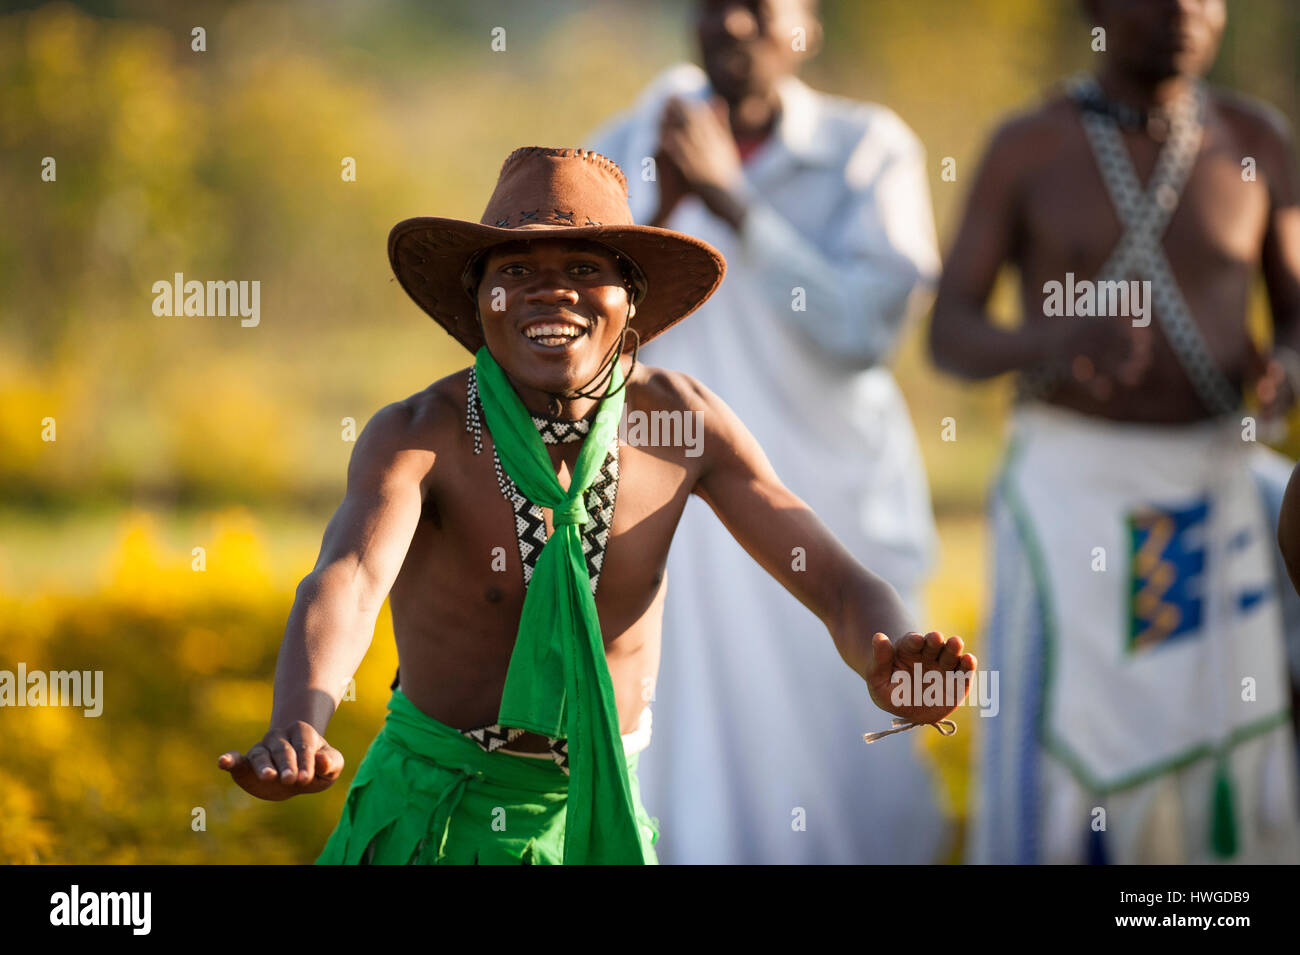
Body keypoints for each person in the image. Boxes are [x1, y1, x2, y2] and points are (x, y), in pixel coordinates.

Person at [215, 145, 974, 865]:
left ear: (630, 301)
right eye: (517, 270)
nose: (553, 290)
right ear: (481, 300)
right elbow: (346, 582)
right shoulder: (422, 433)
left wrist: (894, 654)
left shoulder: (683, 425)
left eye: (585, 267)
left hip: (599, 814)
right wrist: (298, 721)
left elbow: (837, 582)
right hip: (433, 815)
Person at [931, 0, 1300, 863]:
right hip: (1071, 490)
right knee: (1067, 741)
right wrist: (1056, 337)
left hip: (1213, 485)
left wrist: (1285, 365)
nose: (1183, 12)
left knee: (1221, 736)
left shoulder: (1255, 139)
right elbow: (949, 333)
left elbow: (1295, 315)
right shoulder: (1031, 144)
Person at [585, 0, 947, 864]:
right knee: (682, 733)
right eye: (716, 5)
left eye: (761, 6)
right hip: (676, 505)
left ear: (807, 27)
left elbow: (865, 330)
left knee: (835, 724)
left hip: (827, 497)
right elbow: (584, 337)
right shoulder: (628, 137)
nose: (735, 24)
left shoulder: (866, 149)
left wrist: (735, 201)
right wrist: (663, 214)